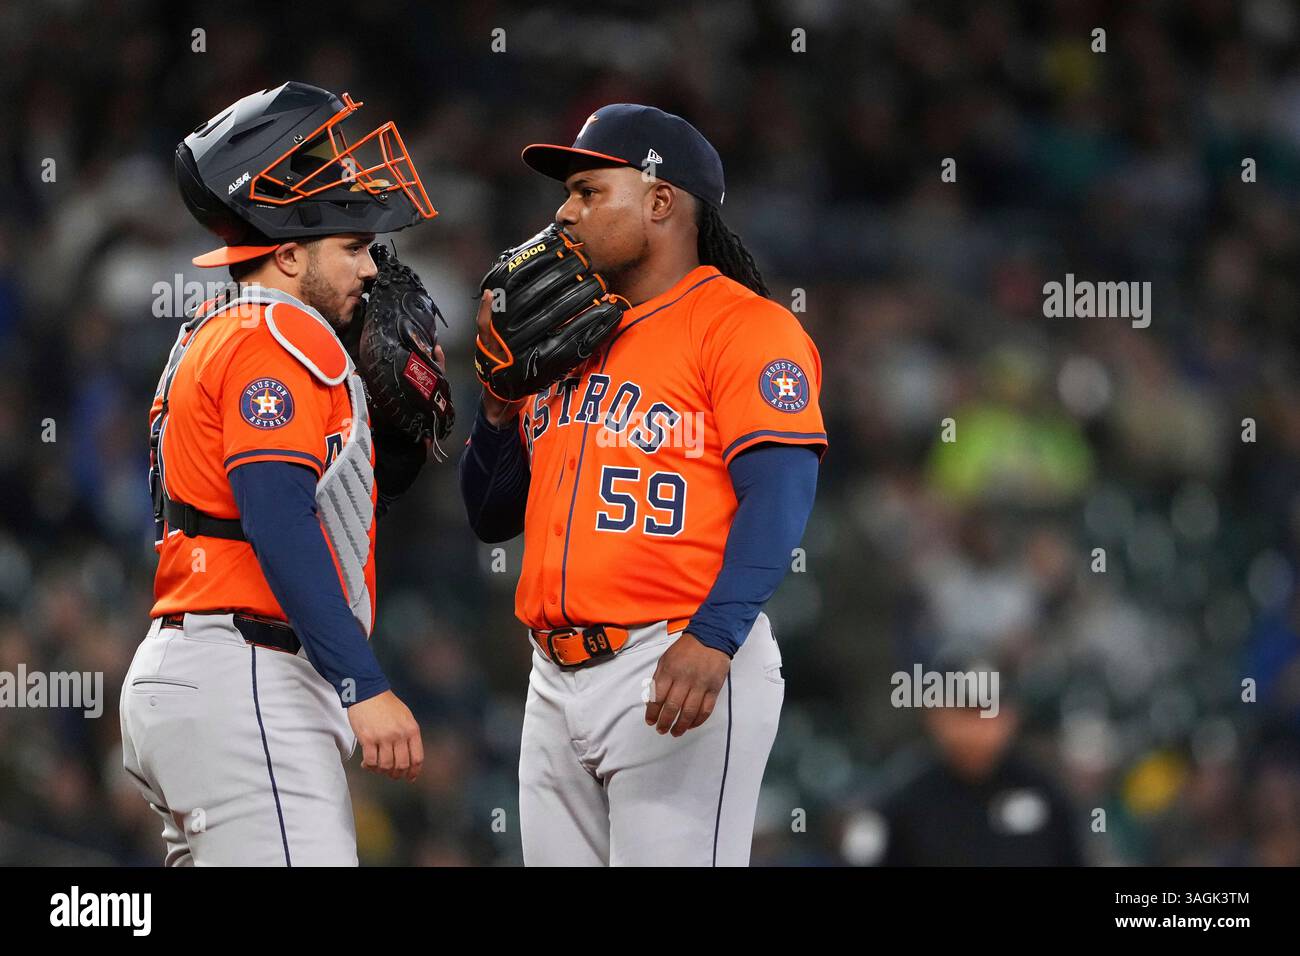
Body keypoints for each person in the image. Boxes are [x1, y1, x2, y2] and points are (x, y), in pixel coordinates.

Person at [460, 104, 827, 865]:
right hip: (552, 679)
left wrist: (715, 636)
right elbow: (491, 516)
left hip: (673, 657)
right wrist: (497, 413)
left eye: (590, 191)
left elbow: (781, 492)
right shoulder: (566, 336)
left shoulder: (743, 326)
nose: (565, 211)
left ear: (661, 200)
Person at [120, 81, 441, 866]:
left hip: (200, 670)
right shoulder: (285, 337)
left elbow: (270, 506)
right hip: (247, 675)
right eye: (353, 246)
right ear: (289, 253)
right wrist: (364, 684)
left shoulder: (215, 331)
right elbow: (273, 517)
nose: (371, 269)